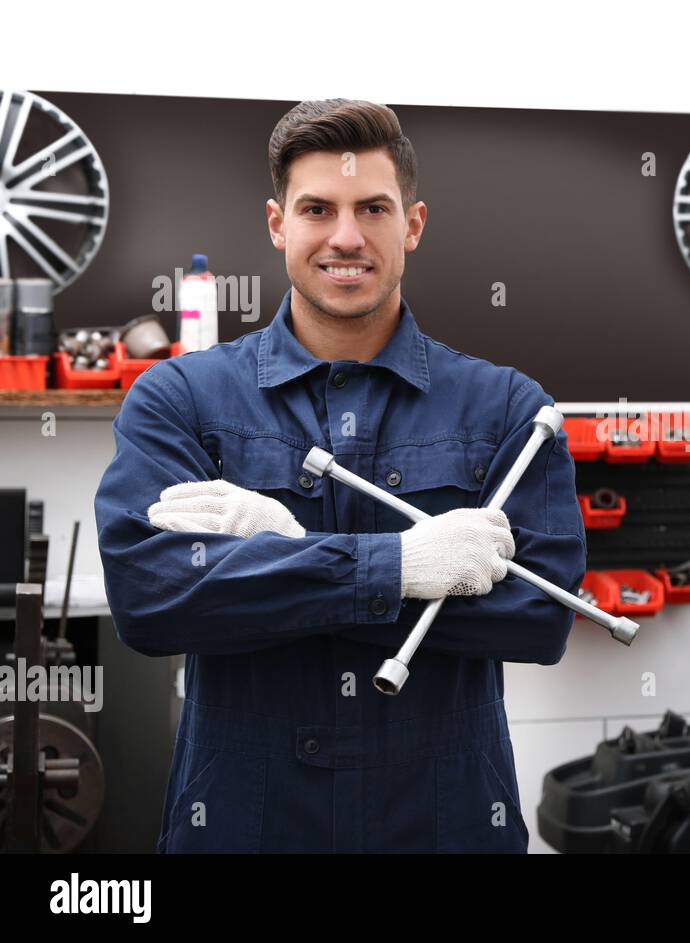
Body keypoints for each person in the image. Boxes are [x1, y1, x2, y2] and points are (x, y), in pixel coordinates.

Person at [93, 99, 586, 853]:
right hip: (242, 826)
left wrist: (275, 568)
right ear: (277, 223)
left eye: (373, 208)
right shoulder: (180, 399)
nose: (346, 237)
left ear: (412, 224)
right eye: (317, 208)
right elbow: (150, 600)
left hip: (445, 825)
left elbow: (539, 615)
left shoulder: (507, 408)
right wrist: (400, 567)